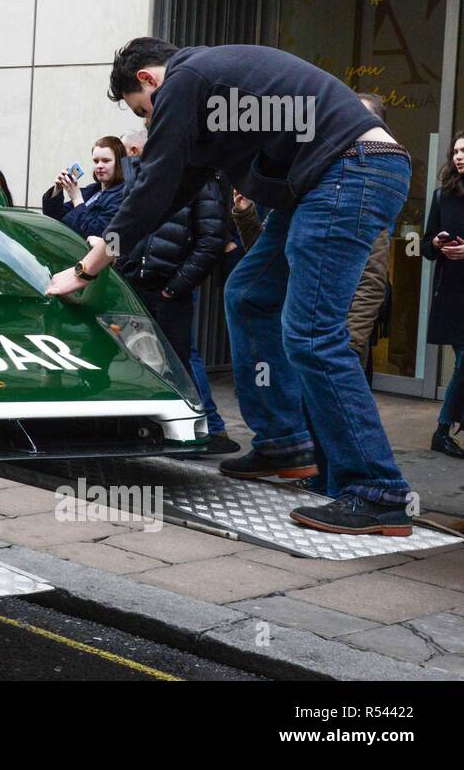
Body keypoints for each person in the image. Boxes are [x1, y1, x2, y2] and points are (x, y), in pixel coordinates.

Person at [46, 38, 414, 536]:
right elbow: (170, 189)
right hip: (329, 179)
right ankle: (284, 441)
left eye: (143, 110)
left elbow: (153, 181)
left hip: (349, 171)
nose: (150, 123)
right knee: (248, 294)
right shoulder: (211, 94)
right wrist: (116, 251)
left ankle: (378, 490)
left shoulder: (186, 78)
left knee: (312, 334)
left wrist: (89, 268)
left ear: (150, 81)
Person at [230, 92, 393, 378]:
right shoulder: (305, 185)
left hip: (333, 344)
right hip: (296, 336)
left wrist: (350, 345)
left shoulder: (363, 199)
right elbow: (267, 260)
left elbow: (371, 283)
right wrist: (246, 213)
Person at [121, 127, 239, 453]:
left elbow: (211, 240)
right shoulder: (147, 179)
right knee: (144, 360)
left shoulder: (202, 180)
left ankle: (201, 432)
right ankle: (154, 429)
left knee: (181, 362)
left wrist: (176, 287)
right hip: (137, 285)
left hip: (169, 289)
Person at [425, 132, 464, 459]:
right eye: (456, 151)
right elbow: (425, 247)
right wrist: (436, 244)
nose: (459, 157)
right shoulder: (442, 196)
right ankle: (443, 429)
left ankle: (443, 427)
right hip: (452, 291)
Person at [41, 136, 126, 240]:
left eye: (106, 161)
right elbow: (54, 216)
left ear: (119, 163)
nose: (99, 165)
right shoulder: (92, 190)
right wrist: (57, 190)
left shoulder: (122, 195)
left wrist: (77, 199)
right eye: (96, 161)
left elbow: (97, 235)